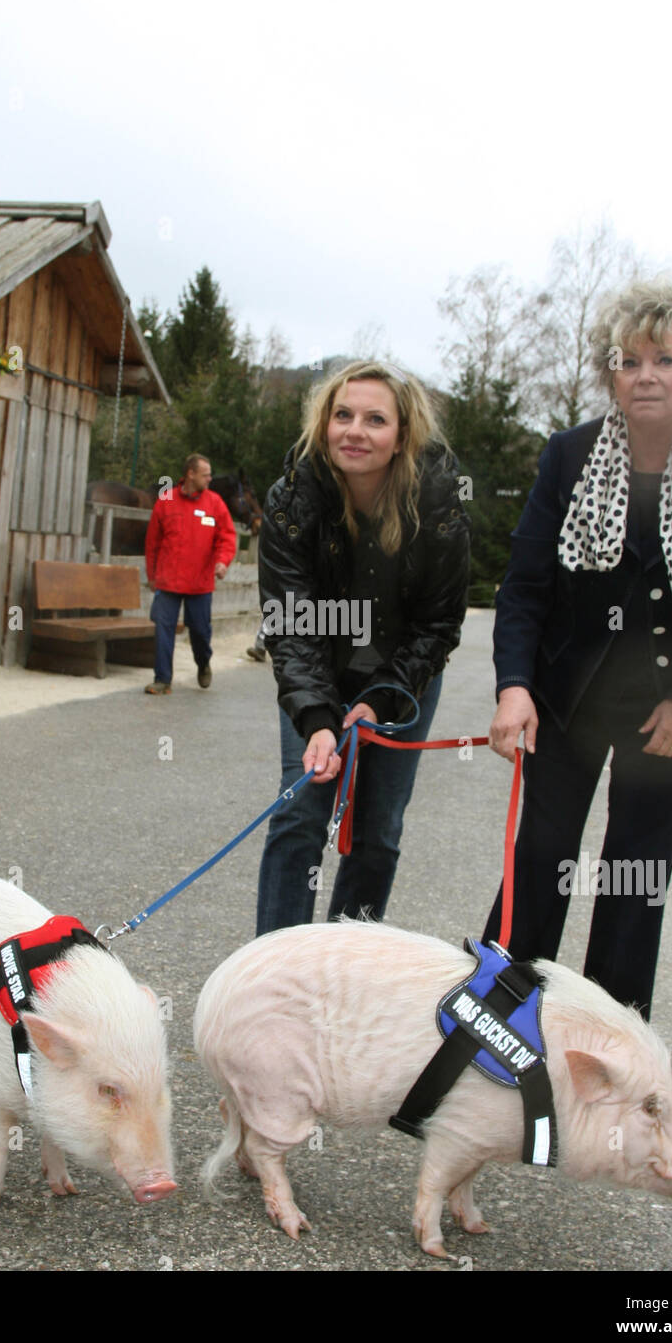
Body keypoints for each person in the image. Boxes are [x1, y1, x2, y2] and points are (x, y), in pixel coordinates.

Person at [484, 280, 672, 1019]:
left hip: (670, 713)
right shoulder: (569, 456)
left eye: (664, 360)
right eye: (628, 360)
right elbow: (526, 584)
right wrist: (515, 685)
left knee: (635, 873)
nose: (645, 374)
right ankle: (494, 1020)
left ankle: (609, 1038)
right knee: (541, 858)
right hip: (565, 701)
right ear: (609, 373)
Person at [256, 359, 471, 935]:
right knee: (301, 813)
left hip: (403, 675)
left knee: (378, 830)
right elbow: (292, 623)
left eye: (375, 419)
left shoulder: (438, 505)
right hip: (318, 668)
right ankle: (275, 968)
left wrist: (383, 701)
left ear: (402, 435)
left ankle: (347, 964)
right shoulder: (291, 500)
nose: (355, 430)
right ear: (324, 422)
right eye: (343, 415)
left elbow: (439, 623)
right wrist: (320, 720)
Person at [144, 453, 236, 695]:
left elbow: (227, 536)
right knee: (163, 628)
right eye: (205, 474)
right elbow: (152, 542)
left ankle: (203, 662)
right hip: (168, 581)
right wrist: (151, 575)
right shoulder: (166, 501)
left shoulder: (215, 503)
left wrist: (222, 562)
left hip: (200, 584)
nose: (210, 478)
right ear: (191, 474)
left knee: (200, 632)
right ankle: (162, 679)